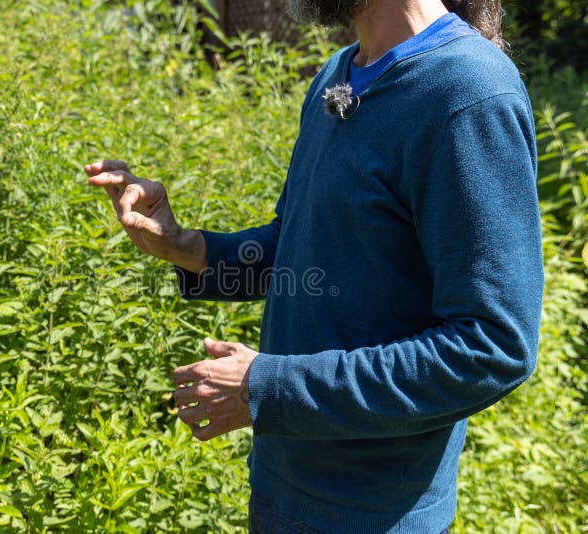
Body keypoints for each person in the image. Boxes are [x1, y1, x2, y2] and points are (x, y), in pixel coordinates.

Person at [85, 0, 543, 531]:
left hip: (372, 514)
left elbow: (493, 347)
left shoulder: (468, 92)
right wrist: (185, 247)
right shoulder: (338, 74)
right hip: (280, 484)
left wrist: (270, 387)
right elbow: (299, 248)